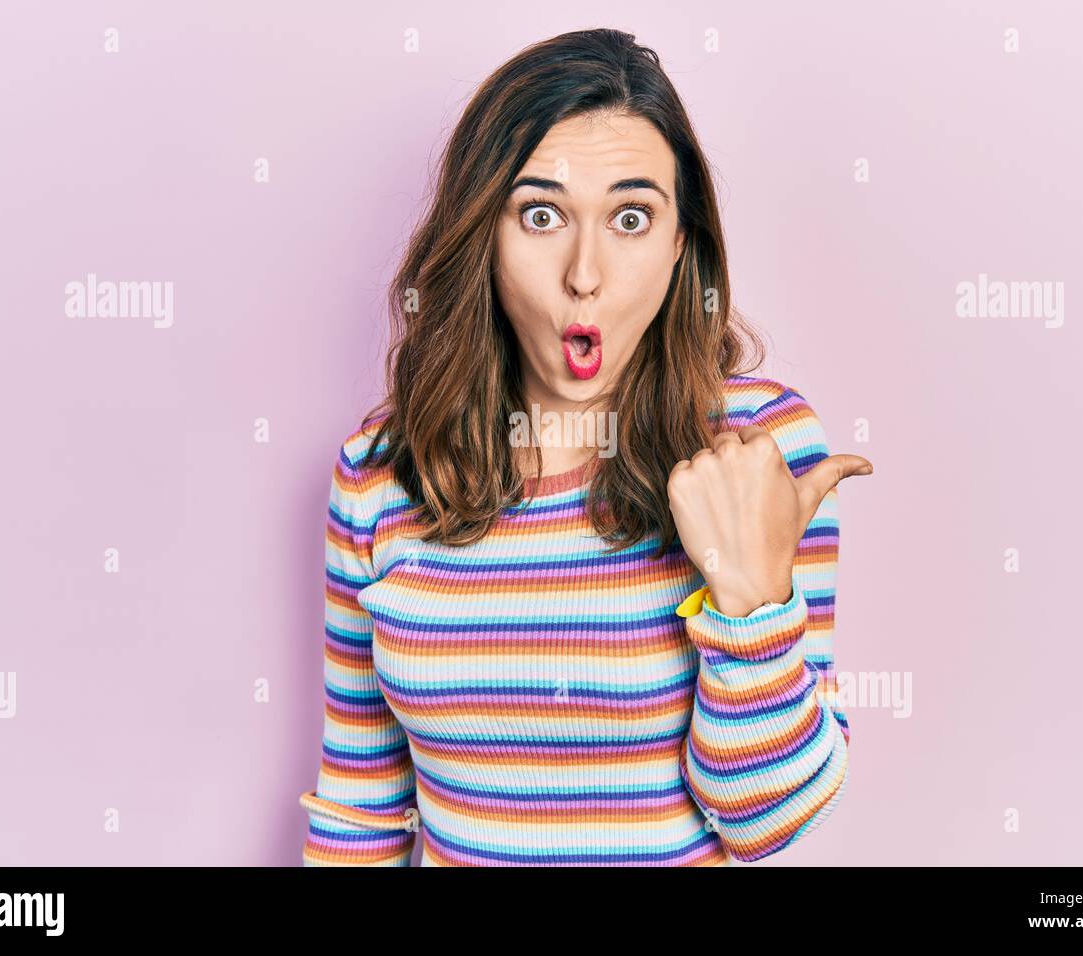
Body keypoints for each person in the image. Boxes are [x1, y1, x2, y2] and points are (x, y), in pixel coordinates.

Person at [298, 27, 873, 866]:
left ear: (680, 247)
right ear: (483, 237)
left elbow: (765, 820)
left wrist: (750, 602)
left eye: (631, 218)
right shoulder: (379, 474)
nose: (585, 275)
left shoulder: (758, 450)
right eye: (541, 215)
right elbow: (361, 810)